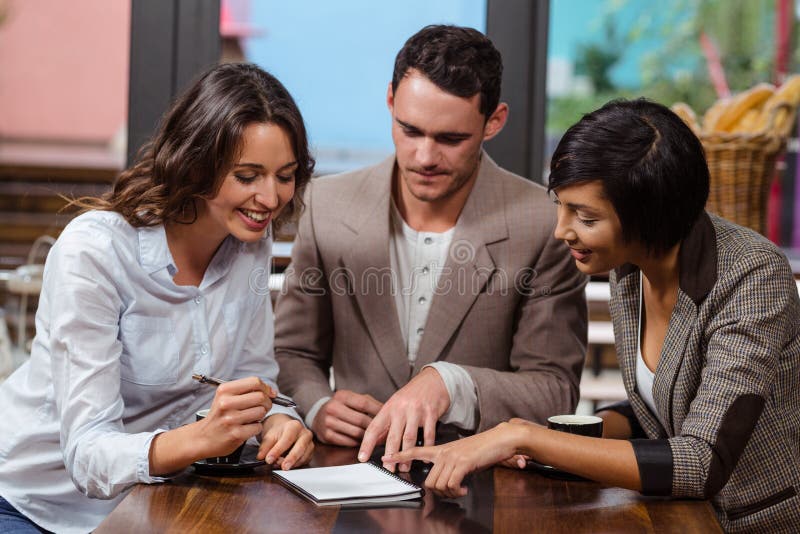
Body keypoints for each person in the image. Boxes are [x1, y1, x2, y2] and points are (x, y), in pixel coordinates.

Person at [383, 98, 800, 532]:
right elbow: (655, 413)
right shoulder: (628, 266)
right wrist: (525, 437)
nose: (561, 230)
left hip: (751, 523)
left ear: (649, 218)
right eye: (561, 206)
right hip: (674, 518)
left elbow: (700, 461)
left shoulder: (751, 276)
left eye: (584, 217)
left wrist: (525, 437)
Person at [0, 63, 316, 533]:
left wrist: (277, 420)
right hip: (35, 502)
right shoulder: (96, 252)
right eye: (248, 176)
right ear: (197, 163)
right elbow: (87, 454)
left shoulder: (249, 237)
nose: (270, 198)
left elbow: (256, 378)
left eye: (285, 176)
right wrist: (201, 437)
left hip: (153, 500)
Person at [275, 24, 587, 472]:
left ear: (493, 122)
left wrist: (453, 385)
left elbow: (554, 389)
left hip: (484, 483)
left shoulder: (544, 222)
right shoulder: (326, 205)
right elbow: (292, 352)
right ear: (390, 101)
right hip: (348, 477)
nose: (424, 156)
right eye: (410, 129)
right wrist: (316, 405)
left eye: (450, 139)